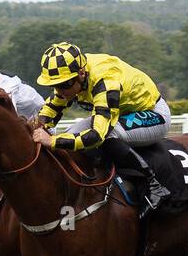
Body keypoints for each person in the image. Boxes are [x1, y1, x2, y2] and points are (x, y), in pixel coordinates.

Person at [32, 42, 173, 212]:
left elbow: (96, 135)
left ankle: (154, 184)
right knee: (71, 133)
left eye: (64, 85)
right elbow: (53, 108)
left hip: (153, 113)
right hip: (121, 113)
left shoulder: (105, 81)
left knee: (107, 136)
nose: (60, 91)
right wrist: (39, 124)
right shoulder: (72, 75)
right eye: (54, 85)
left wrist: (53, 140)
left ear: (81, 73)